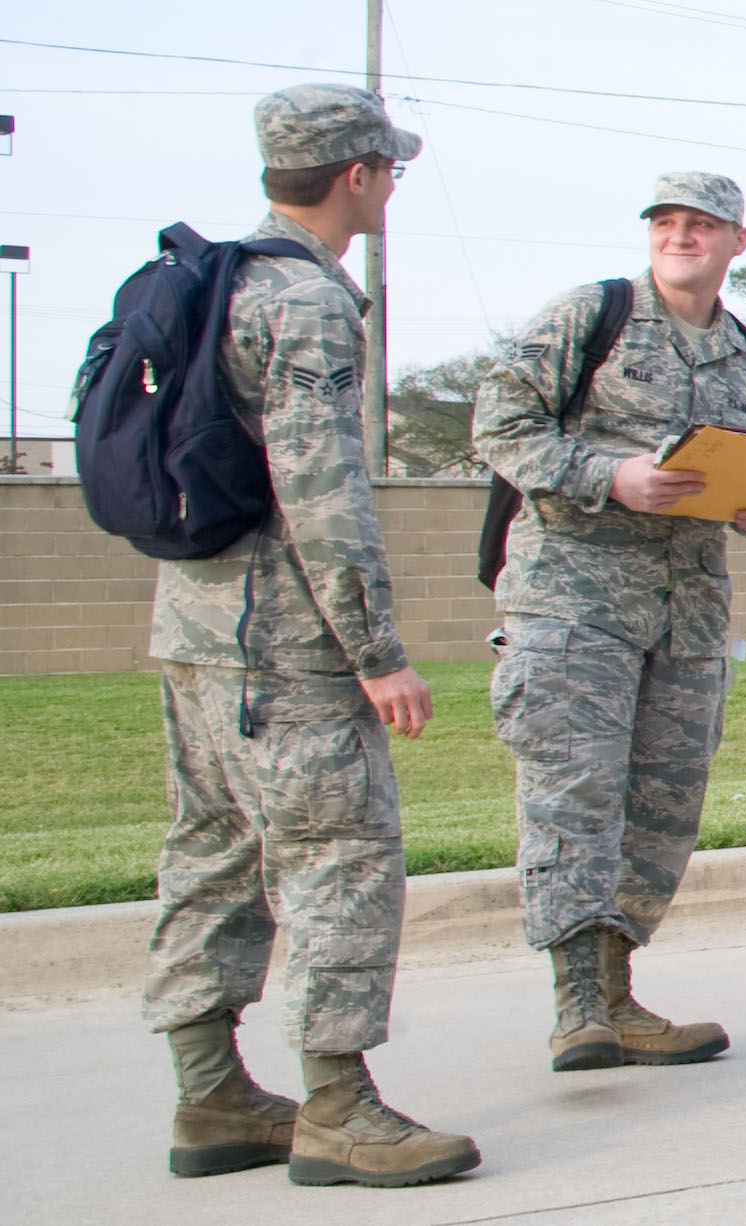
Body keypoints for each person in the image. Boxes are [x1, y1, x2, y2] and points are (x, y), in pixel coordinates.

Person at [141, 82, 480, 1188]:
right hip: (288, 646)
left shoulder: (214, 278)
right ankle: (337, 1103)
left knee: (214, 853)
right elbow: (323, 488)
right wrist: (376, 650)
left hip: (193, 630)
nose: (391, 186)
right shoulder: (308, 302)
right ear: (357, 175)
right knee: (339, 854)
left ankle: (211, 1094)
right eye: (389, 169)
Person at [474, 171, 746, 1075]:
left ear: (736, 242)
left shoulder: (743, 350)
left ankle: (618, 990)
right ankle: (578, 1010)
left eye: (700, 225)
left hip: (686, 611)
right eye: (666, 223)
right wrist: (609, 475)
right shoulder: (591, 316)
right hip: (573, 602)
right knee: (576, 800)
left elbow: (741, 458)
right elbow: (498, 425)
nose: (680, 236)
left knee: (661, 806)